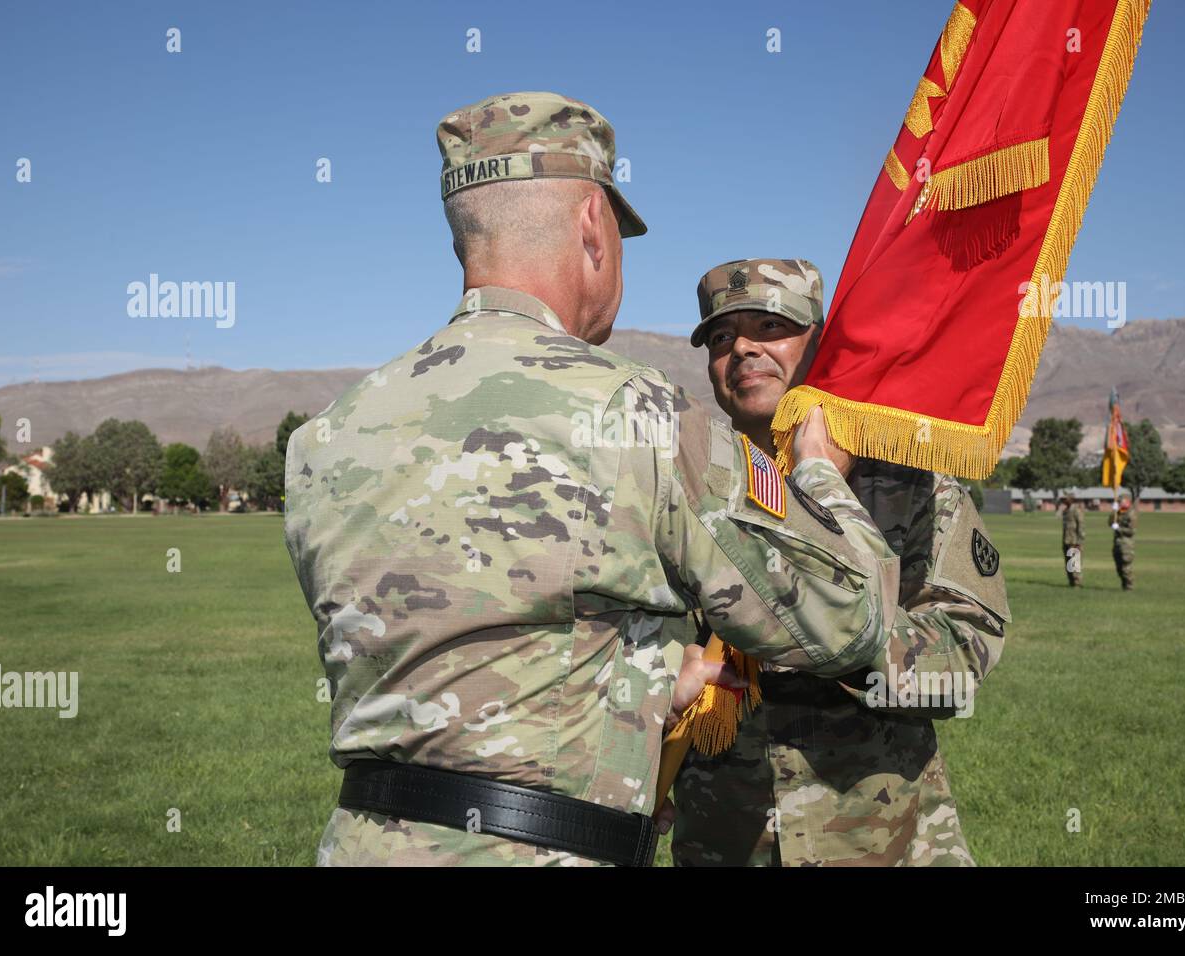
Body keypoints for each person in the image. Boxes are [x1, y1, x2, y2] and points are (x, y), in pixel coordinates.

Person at [283, 96, 910, 867]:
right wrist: (819, 468)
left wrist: (641, 692)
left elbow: (479, 659)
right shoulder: (637, 410)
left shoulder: (330, 432)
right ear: (592, 224)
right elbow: (848, 615)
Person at [670, 258, 1010, 866]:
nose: (744, 347)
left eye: (771, 326)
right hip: (725, 841)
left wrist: (848, 639)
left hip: (882, 841)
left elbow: (964, 658)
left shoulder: (905, 481)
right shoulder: (684, 481)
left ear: (822, 343)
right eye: (722, 337)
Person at [1110, 494, 1136, 590]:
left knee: (1126, 567)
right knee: (1119, 567)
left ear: (1127, 501)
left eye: (1120, 502)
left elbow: (1131, 531)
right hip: (1117, 543)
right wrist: (1114, 511)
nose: (1119, 503)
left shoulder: (1131, 514)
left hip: (1126, 544)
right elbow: (1110, 522)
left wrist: (1119, 529)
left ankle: (1129, 587)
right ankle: (1124, 585)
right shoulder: (1119, 512)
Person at [1061, 493, 1085, 587]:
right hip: (1066, 540)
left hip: (1075, 541)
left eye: (1065, 499)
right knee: (1069, 564)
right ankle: (1071, 582)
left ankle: (1077, 584)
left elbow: (1081, 526)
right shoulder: (1066, 511)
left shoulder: (1076, 510)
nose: (1063, 501)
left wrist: (1080, 541)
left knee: (1075, 564)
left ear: (1071, 499)